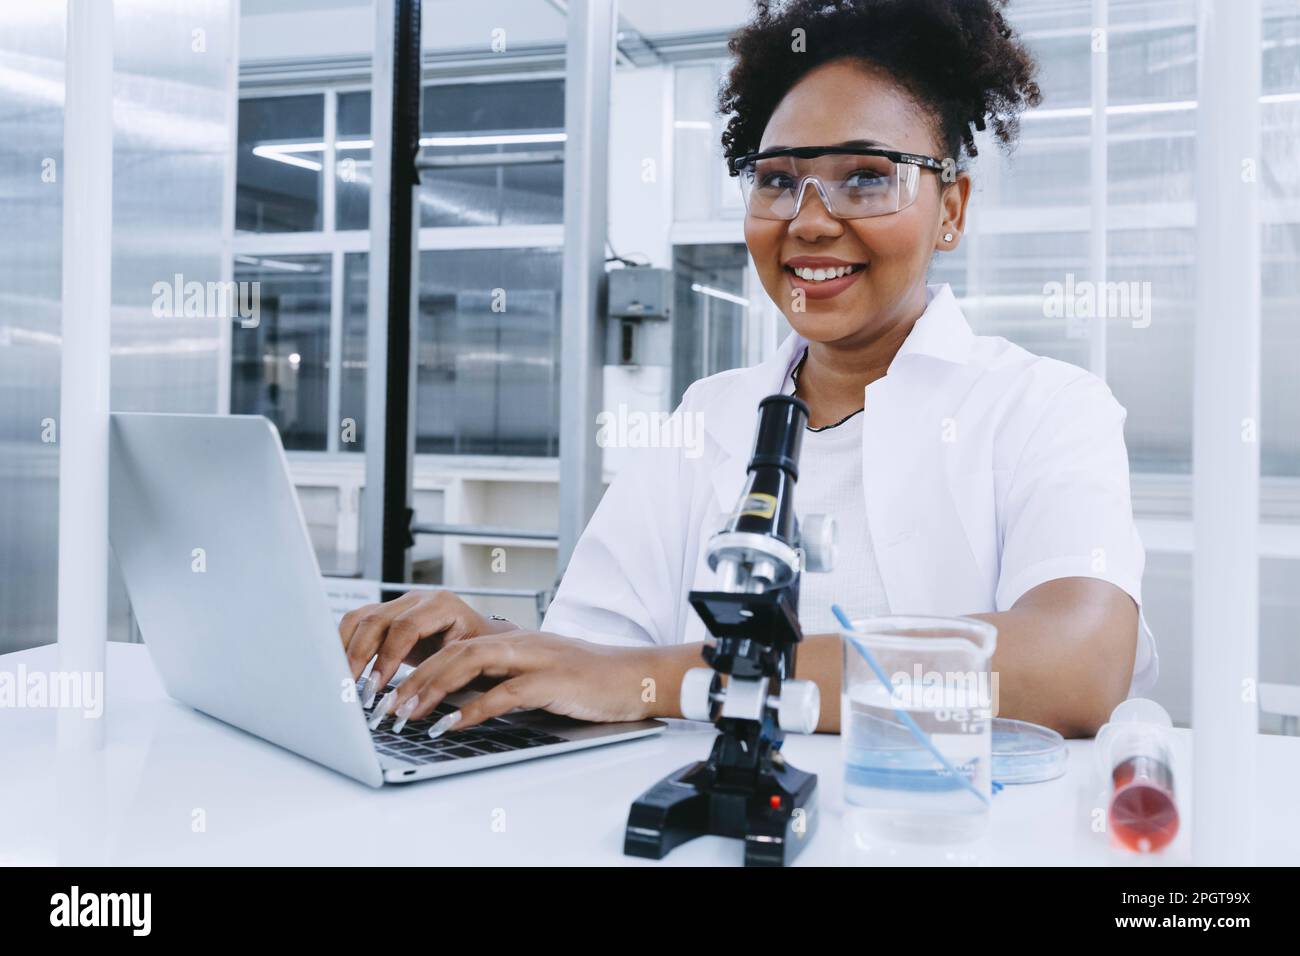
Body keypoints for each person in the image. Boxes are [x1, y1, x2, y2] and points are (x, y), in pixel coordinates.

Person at [341, 0, 1156, 740]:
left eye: (866, 177)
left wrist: (658, 679)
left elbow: (1074, 664)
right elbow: (600, 656)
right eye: (776, 181)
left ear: (951, 208)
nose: (809, 222)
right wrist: (489, 648)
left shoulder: (1045, 406)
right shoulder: (713, 414)